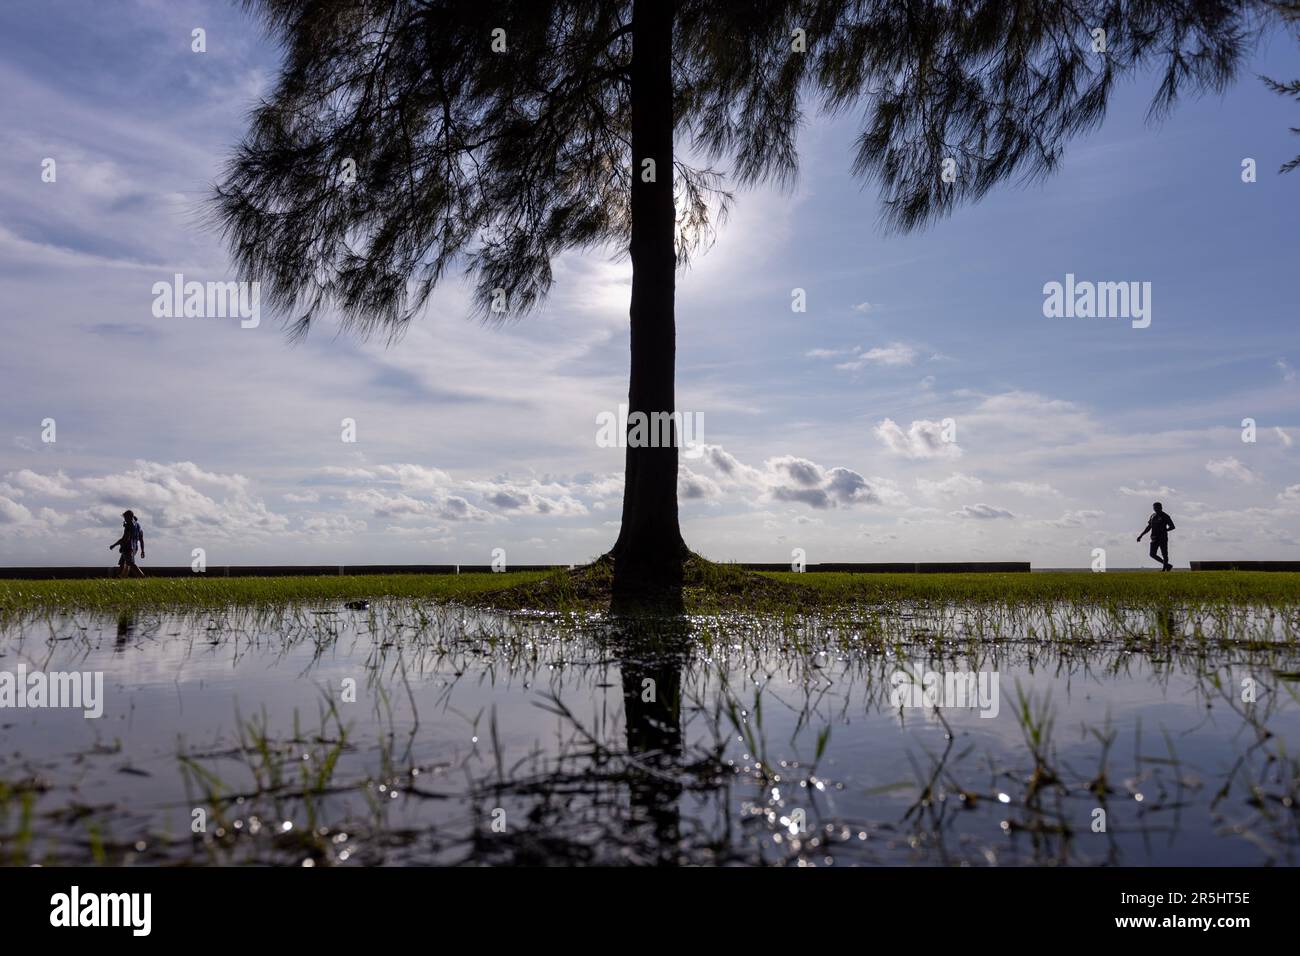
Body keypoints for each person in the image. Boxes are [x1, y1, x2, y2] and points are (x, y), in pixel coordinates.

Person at [1136, 501, 1175, 571]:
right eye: (1154, 507)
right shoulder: (1152, 516)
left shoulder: (1165, 516)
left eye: (1157, 507)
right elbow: (1148, 527)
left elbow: (1172, 526)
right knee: (1152, 554)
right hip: (1154, 538)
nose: (1155, 509)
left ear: (1161, 508)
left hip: (1163, 538)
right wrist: (1140, 535)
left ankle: (1164, 569)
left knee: (1164, 554)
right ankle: (1167, 565)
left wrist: (1165, 530)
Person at [109, 510, 146, 578]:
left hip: (128, 547)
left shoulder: (129, 526)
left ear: (129, 517)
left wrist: (114, 545)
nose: (125, 519)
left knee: (130, 563)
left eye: (125, 518)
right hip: (135, 547)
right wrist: (142, 550)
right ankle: (120, 577)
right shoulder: (139, 526)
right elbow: (141, 540)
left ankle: (142, 577)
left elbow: (125, 538)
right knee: (122, 563)